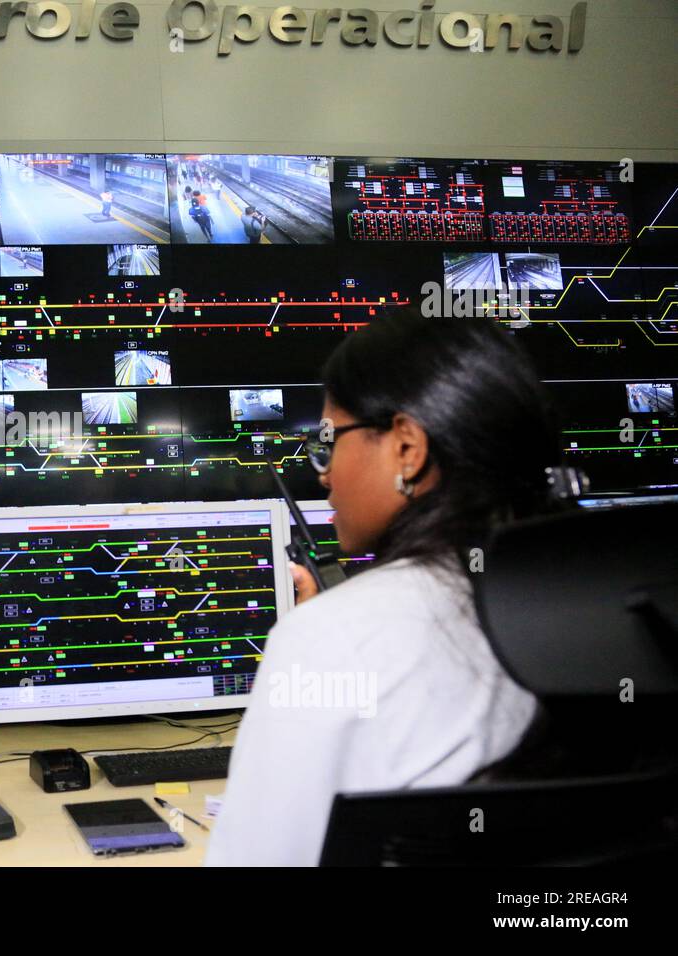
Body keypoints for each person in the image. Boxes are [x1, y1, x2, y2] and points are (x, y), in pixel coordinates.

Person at [205, 309, 561, 866]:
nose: (323, 473)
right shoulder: (597, 602)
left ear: (406, 448)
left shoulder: (335, 638)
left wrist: (328, 639)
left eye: (332, 440)